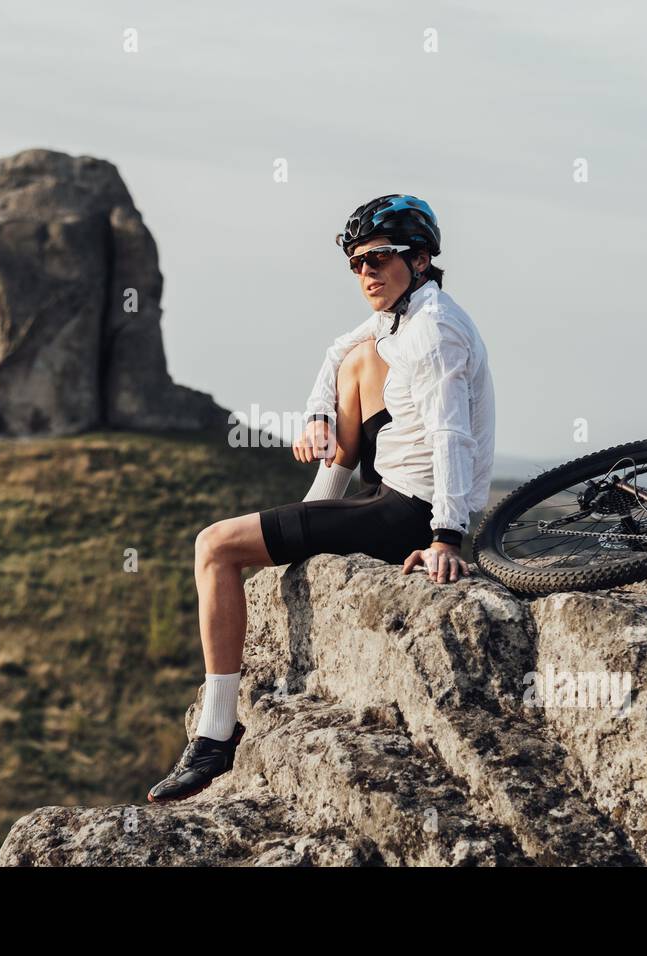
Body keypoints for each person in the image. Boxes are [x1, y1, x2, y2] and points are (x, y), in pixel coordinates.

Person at [146, 194, 496, 803]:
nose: (366, 273)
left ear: (418, 260)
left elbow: (451, 434)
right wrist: (315, 416)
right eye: (357, 262)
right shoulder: (403, 317)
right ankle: (317, 505)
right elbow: (337, 352)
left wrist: (446, 537)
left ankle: (216, 734)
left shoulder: (435, 330)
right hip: (382, 488)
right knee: (359, 360)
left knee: (215, 548)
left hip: (409, 511)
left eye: (379, 259)